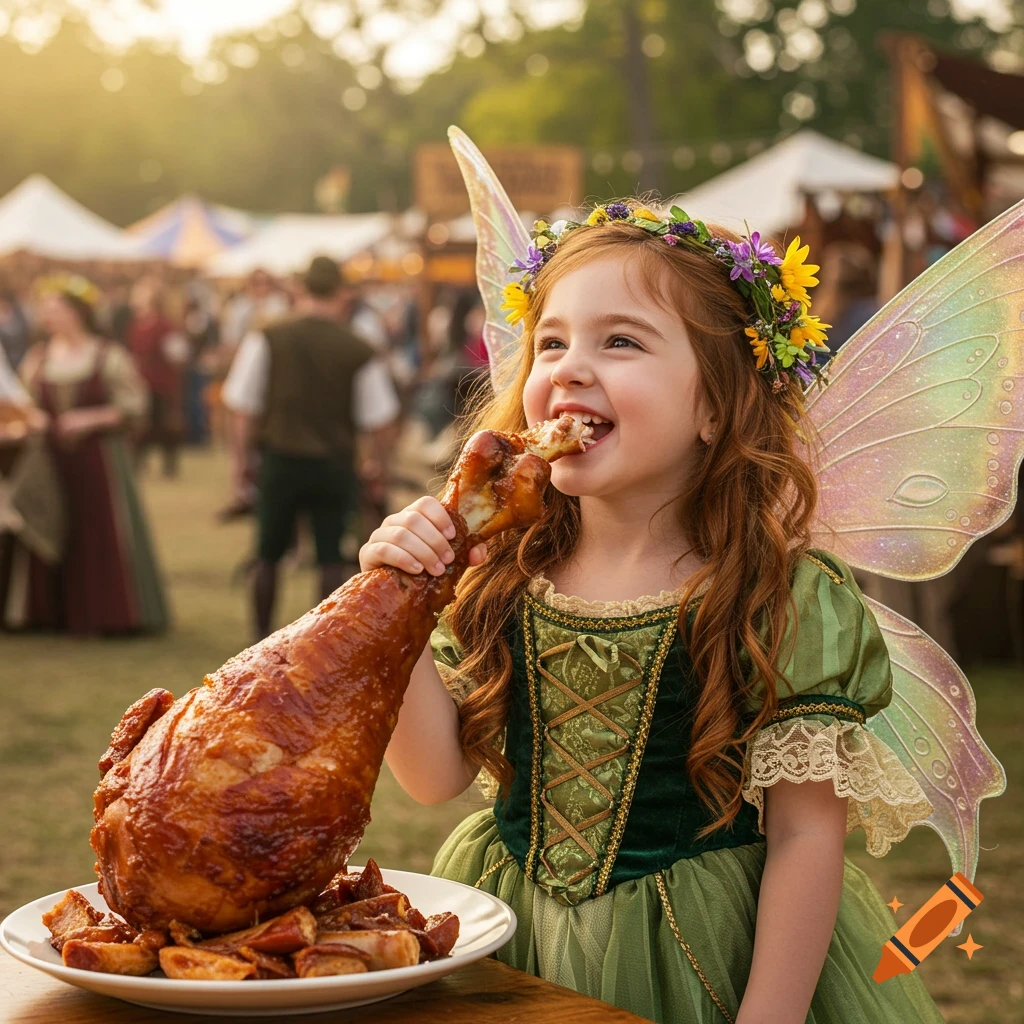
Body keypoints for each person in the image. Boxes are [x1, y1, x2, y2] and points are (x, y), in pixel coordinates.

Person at [357, 206, 948, 1023]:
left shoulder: (776, 595)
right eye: (552, 341)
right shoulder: (501, 574)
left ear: (717, 406)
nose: (568, 369)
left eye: (621, 341)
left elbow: (808, 837)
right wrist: (399, 605)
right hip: (511, 932)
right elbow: (431, 779)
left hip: (703, 958)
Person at [222, 255, 400, 640]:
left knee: (267, 553)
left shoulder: (269, 336)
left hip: (279, 460)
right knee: (330, 558)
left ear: (300, 290)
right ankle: (324, 643)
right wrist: (379, 469)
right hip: (334, 464)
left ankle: (259, 637)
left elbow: (242, 407)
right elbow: (381, 420)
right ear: (342, 293)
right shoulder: (357, 347)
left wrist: (241, 464)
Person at [16, 275, 168, 635]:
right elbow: (25, 405)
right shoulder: (38, 358)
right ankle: (50, 614)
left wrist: (90, 417)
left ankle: (108, 615)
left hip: (99, 462)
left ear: (76, 312)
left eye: (55, 309)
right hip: (52, 462)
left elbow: (134, 406)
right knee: (50, 525)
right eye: (45, 310)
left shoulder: (106, 355)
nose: (47, 317)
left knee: (99, 532)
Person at [128, 276, 188, 477]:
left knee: (164, 425)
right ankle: (138, 463)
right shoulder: (137, 324)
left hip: (161, 384)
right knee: (141, 425)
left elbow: (178, 355)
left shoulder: (165, 326)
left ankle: (169, 466)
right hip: (141, 384)